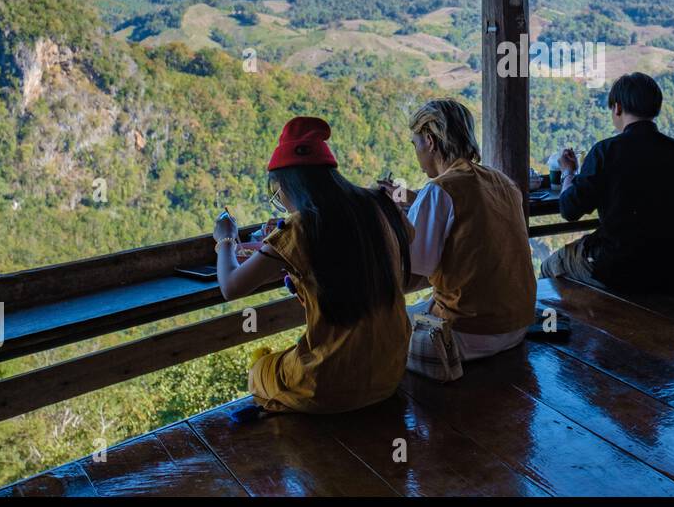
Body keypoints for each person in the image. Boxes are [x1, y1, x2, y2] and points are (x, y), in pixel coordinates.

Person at [212, 116, 411, 414]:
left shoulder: (301, 228)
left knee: (259, 371)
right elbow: (410, 234)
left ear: (288, 186)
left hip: (331, 384)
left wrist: (225, 240)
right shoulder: (377, 204)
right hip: (390, 371)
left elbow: (230, 286)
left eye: (278, 194)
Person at [381, 99, 536, 364]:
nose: (417, 153)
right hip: (518, 325)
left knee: (380, 330)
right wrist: (413, 200)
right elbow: (466, 208)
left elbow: (415, 266)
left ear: (429, 141)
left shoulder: (439, 191)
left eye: (416, 144)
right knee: (419, 309)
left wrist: (395, 218)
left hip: (469, 334)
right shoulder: (503, 182)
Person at [541, 72, 674, 290]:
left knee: (551, 266)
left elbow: (569, 209)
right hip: (673, 264)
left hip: (619, 265)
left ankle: (555, 324)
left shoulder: (606, 151)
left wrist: (568, 173)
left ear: (618, 107)